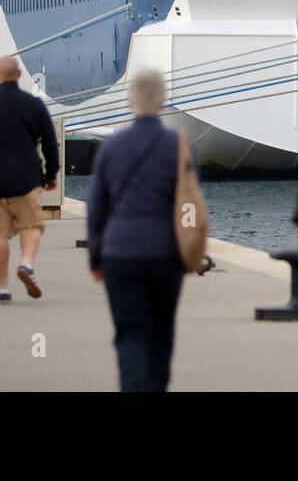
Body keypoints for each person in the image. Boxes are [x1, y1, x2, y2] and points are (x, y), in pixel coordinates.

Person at [86, 71, 189, 392]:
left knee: (129, 332)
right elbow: (190, 205)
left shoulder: (112, 147)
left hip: (120, 253)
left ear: (130, 100)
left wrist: (95, 256)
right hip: (166, 254)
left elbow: (96, 206)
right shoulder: (179, 147)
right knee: (161, 330)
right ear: (163, 101)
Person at [0, 55, 60, 303]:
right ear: (20, 75)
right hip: (27, 178)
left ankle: (3, 288)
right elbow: (49, 142)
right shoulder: (34, 105)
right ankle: (27, 264)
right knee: (31, 225)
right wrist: (51, 174)